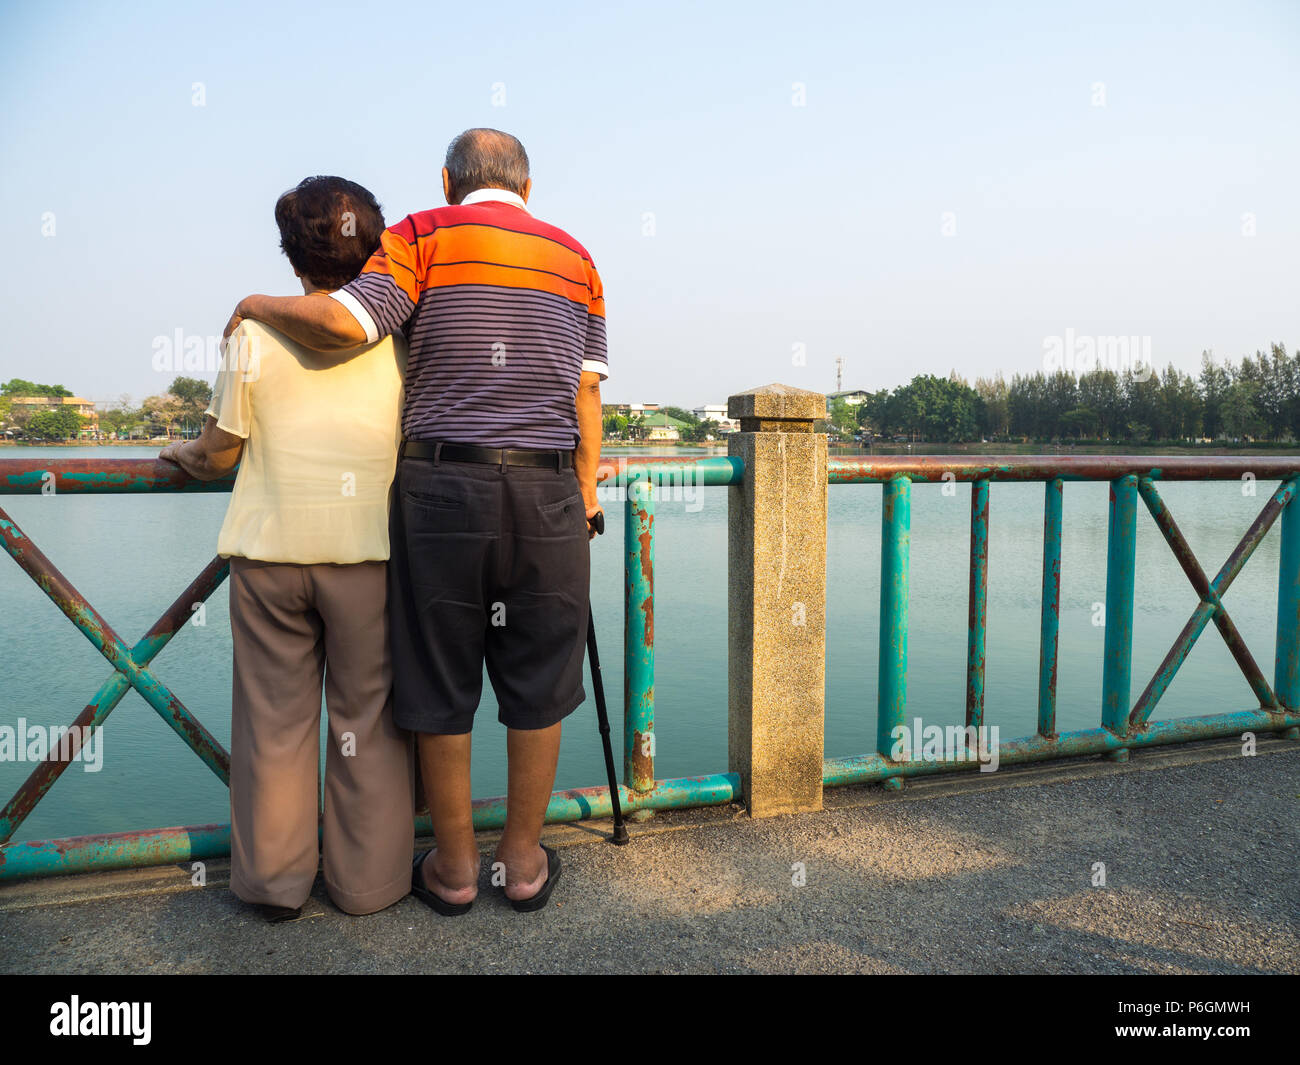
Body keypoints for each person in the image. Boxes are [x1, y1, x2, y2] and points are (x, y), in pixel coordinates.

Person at [222, 128, 607, 914]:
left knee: (438, 677)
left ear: (446, 179)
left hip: (443, 487)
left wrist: (254, 304)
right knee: (539, 683)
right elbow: (586, 395)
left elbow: (343, 325)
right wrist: (587, 493)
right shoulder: (577, 257)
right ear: (527, 189)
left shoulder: (423, 234)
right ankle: (525, 865)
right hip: (550, 493)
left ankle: (456, 870)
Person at [162, 176, 413, 921]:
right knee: (367, 725)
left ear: (291, 253)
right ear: (372, 248)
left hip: (269, 555)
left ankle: (273, 885)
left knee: (273, 727)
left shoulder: (252, 331)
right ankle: (368, 886)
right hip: (370, 554)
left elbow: (219, 454)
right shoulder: (398, 329)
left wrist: (179, 452)